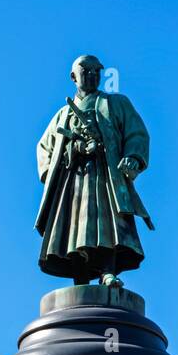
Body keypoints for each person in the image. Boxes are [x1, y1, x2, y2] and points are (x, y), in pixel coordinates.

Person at [36, 54, 154, 287]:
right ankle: (80, 279)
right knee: (73, 228)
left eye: (96, 71)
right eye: (85, 71)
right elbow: (44, 148)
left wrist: (133, 156)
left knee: (106, 222)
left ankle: (108, 271)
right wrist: (70, 153)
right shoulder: (63, 115)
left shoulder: (116, 103)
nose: (91, 75)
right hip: (73, 180)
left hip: (105, 175)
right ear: (73, 76)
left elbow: (136, 133)